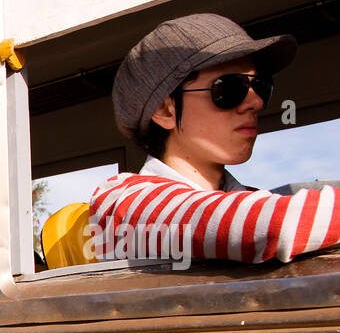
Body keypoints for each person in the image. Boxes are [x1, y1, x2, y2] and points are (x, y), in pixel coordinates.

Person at [91, 13, 340, 264]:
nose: (256, 102)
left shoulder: (251, 201)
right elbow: (280, 225)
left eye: (261, 86)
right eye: (230, 88)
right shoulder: (123, 203)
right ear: (166, 111)